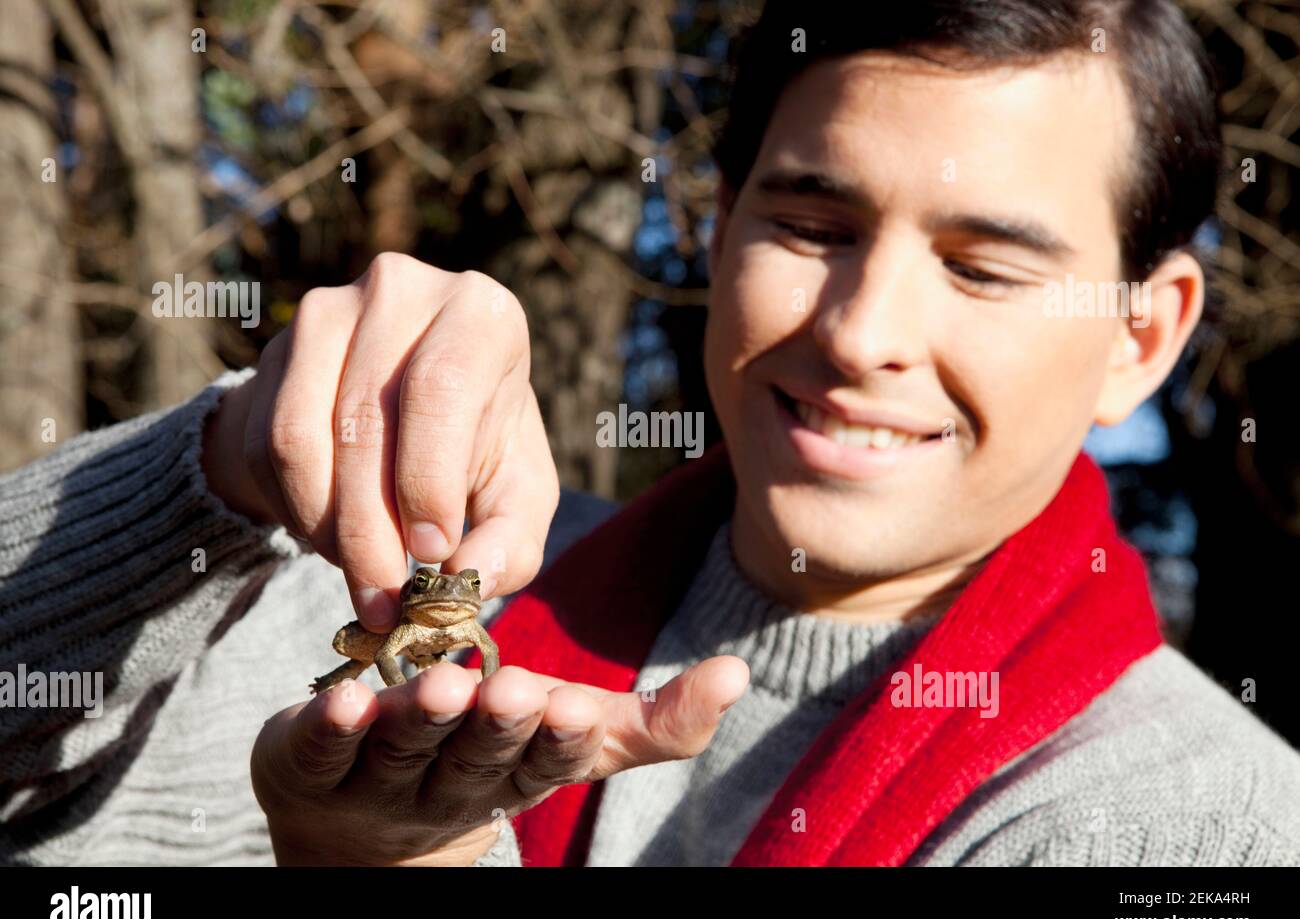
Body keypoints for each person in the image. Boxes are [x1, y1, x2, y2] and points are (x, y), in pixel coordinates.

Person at [3, 0, 1298, 867]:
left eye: (982, 269)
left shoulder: (1194, 825)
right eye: (812, 227)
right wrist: (217, 471)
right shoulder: (393, 612)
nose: (859, 335)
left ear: (1142, 334)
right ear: (723, 225)